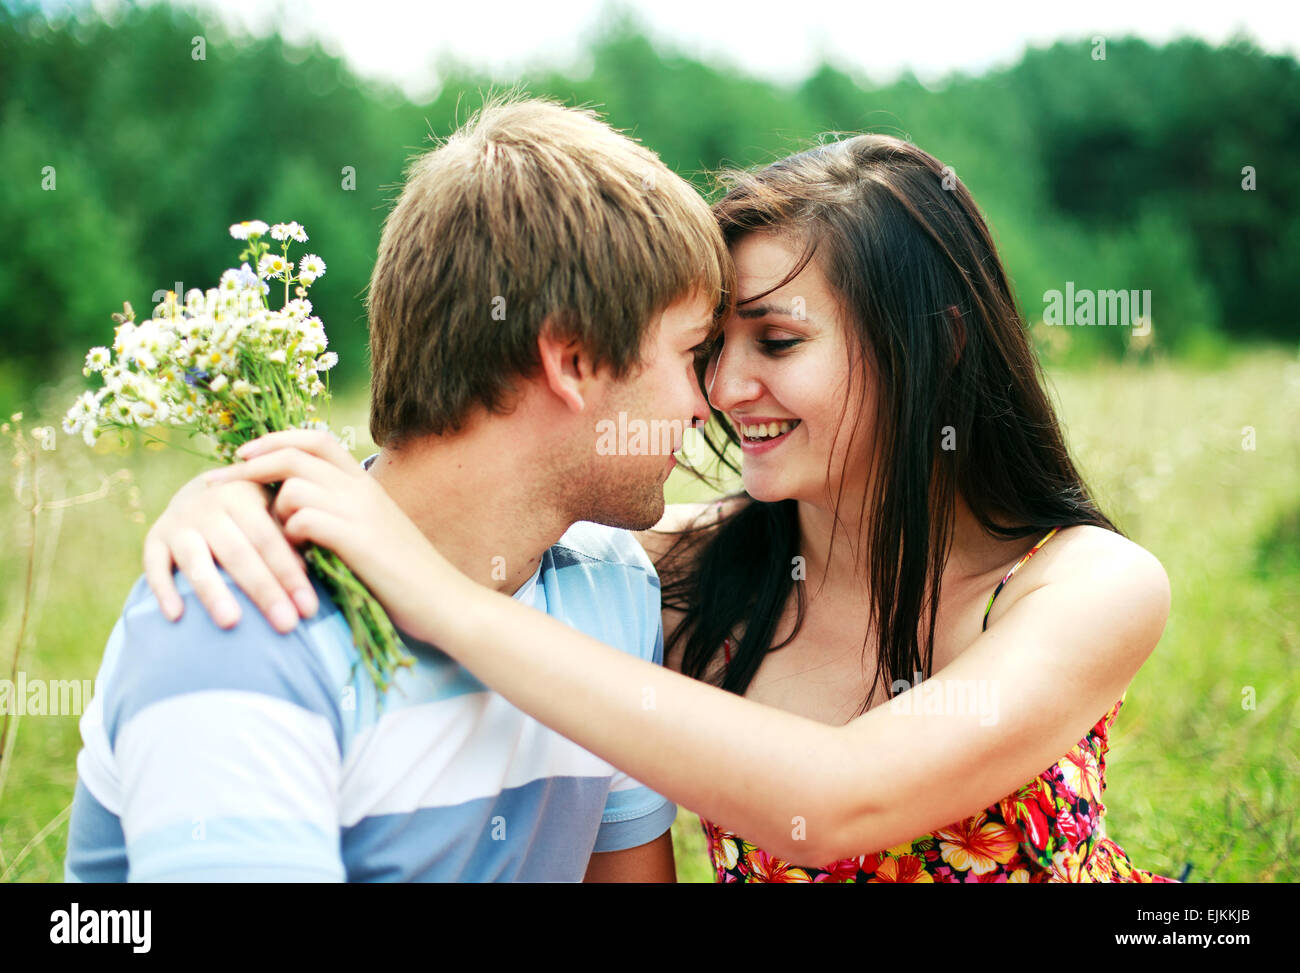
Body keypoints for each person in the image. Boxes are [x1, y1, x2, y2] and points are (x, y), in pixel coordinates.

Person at [145, 135, 1175, 882]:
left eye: (775, 342)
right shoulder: (674, 572)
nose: (724, 389)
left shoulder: (1080, 584)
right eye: (708, 348)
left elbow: (844, 798)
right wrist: (235, 495)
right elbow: (479, 510)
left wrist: (433, 598)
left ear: (938, 344)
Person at [63, 94, 735, 882]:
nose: (707, 401)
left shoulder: (611, 585)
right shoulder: (237, 619)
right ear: (575, 359)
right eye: (692, 353)